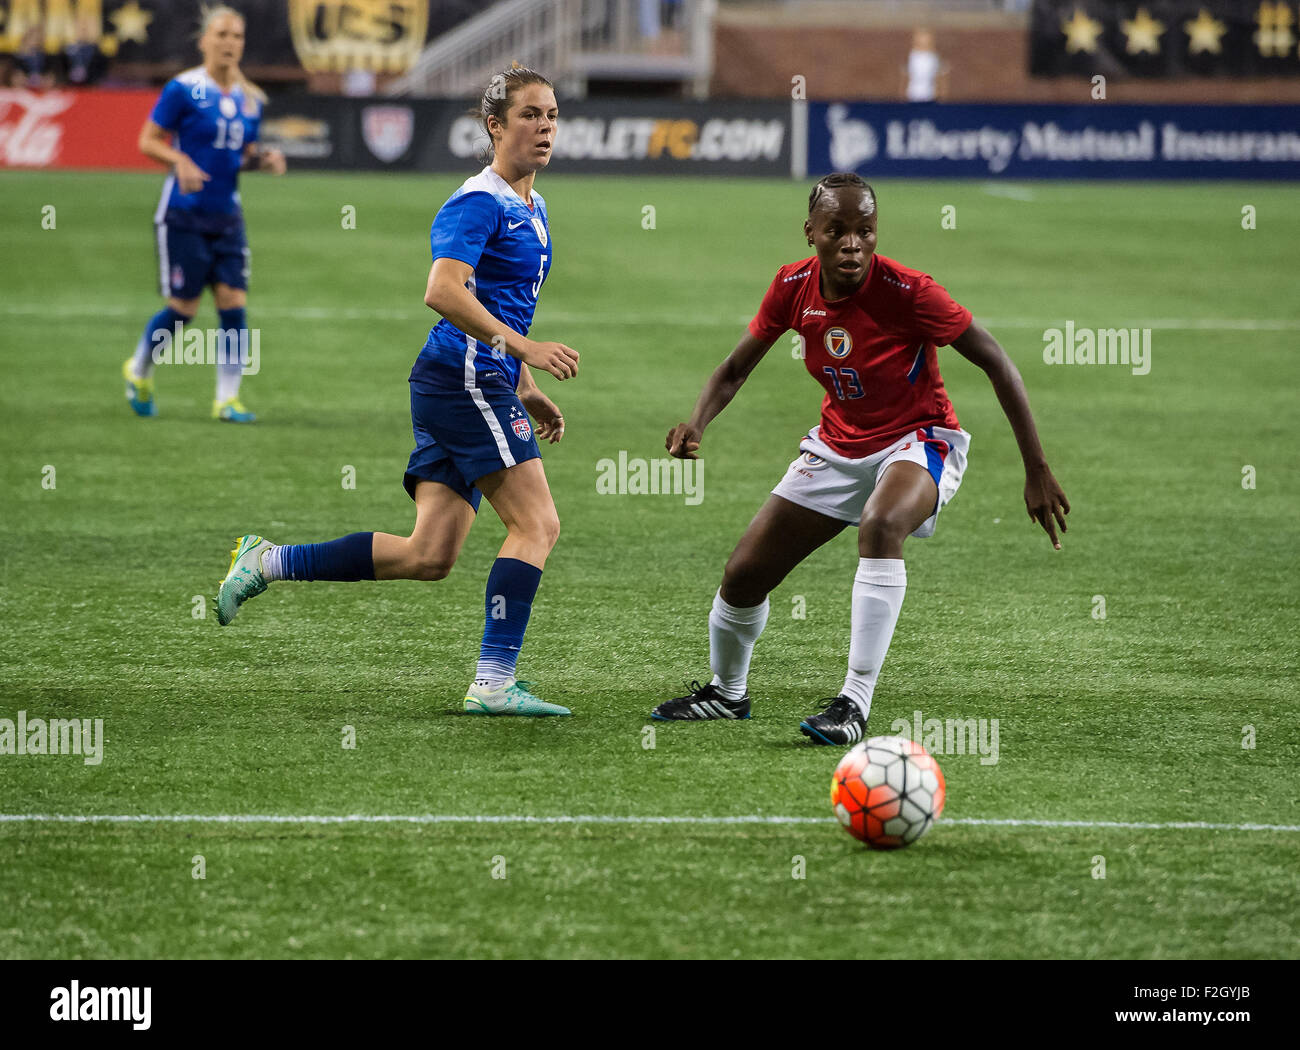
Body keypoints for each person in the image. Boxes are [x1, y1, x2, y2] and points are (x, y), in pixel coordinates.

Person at [215, 66, 580, 718]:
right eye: (530, 115)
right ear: (495, 125)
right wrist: (523, 354)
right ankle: (494, 684)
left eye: (551, 114)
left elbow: (500, 303)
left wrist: (523, 383)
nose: (545, 126)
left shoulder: (533, 205)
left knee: (429, 554)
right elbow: (443, 290)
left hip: (466, 379)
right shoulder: (480, 201)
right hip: (465, 381)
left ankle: (268, 561)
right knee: (537, 524)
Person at [654, 172, 1069, 744]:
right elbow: (733, 370)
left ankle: (853, 702)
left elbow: (999, 363)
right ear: (811, 233)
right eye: (837, 230)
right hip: (837, 444)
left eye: (865, 231)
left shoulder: (911, 292)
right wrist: (696, 423)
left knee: (880, 525)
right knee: (744, 575)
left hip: (918, 440)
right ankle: (727, 694)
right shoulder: (792, 286)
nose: (852, 243)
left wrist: (1036, 468)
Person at [123, 4, 286, 423]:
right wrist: (177, 159)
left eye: (237, 36)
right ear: (204, 41)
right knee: (183, 308)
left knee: (234, 304)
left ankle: (226, 399)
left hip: (227, 216)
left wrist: (263, 160)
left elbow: (241, 154)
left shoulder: (251, 100)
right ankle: (139, 369)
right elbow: (147, 140)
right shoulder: (183, 88)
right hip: (183, 214)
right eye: (222, 35)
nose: (230, 43)